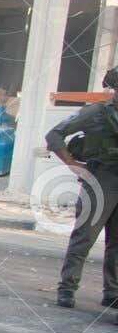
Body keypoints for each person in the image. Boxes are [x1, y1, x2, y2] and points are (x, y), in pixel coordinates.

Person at [45, 66, 118, 312]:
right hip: (101, 180)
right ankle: (67, 288)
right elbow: (54, 135)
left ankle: (112, 292)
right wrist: (73, 164)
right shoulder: (95, 113)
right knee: (84, 236)